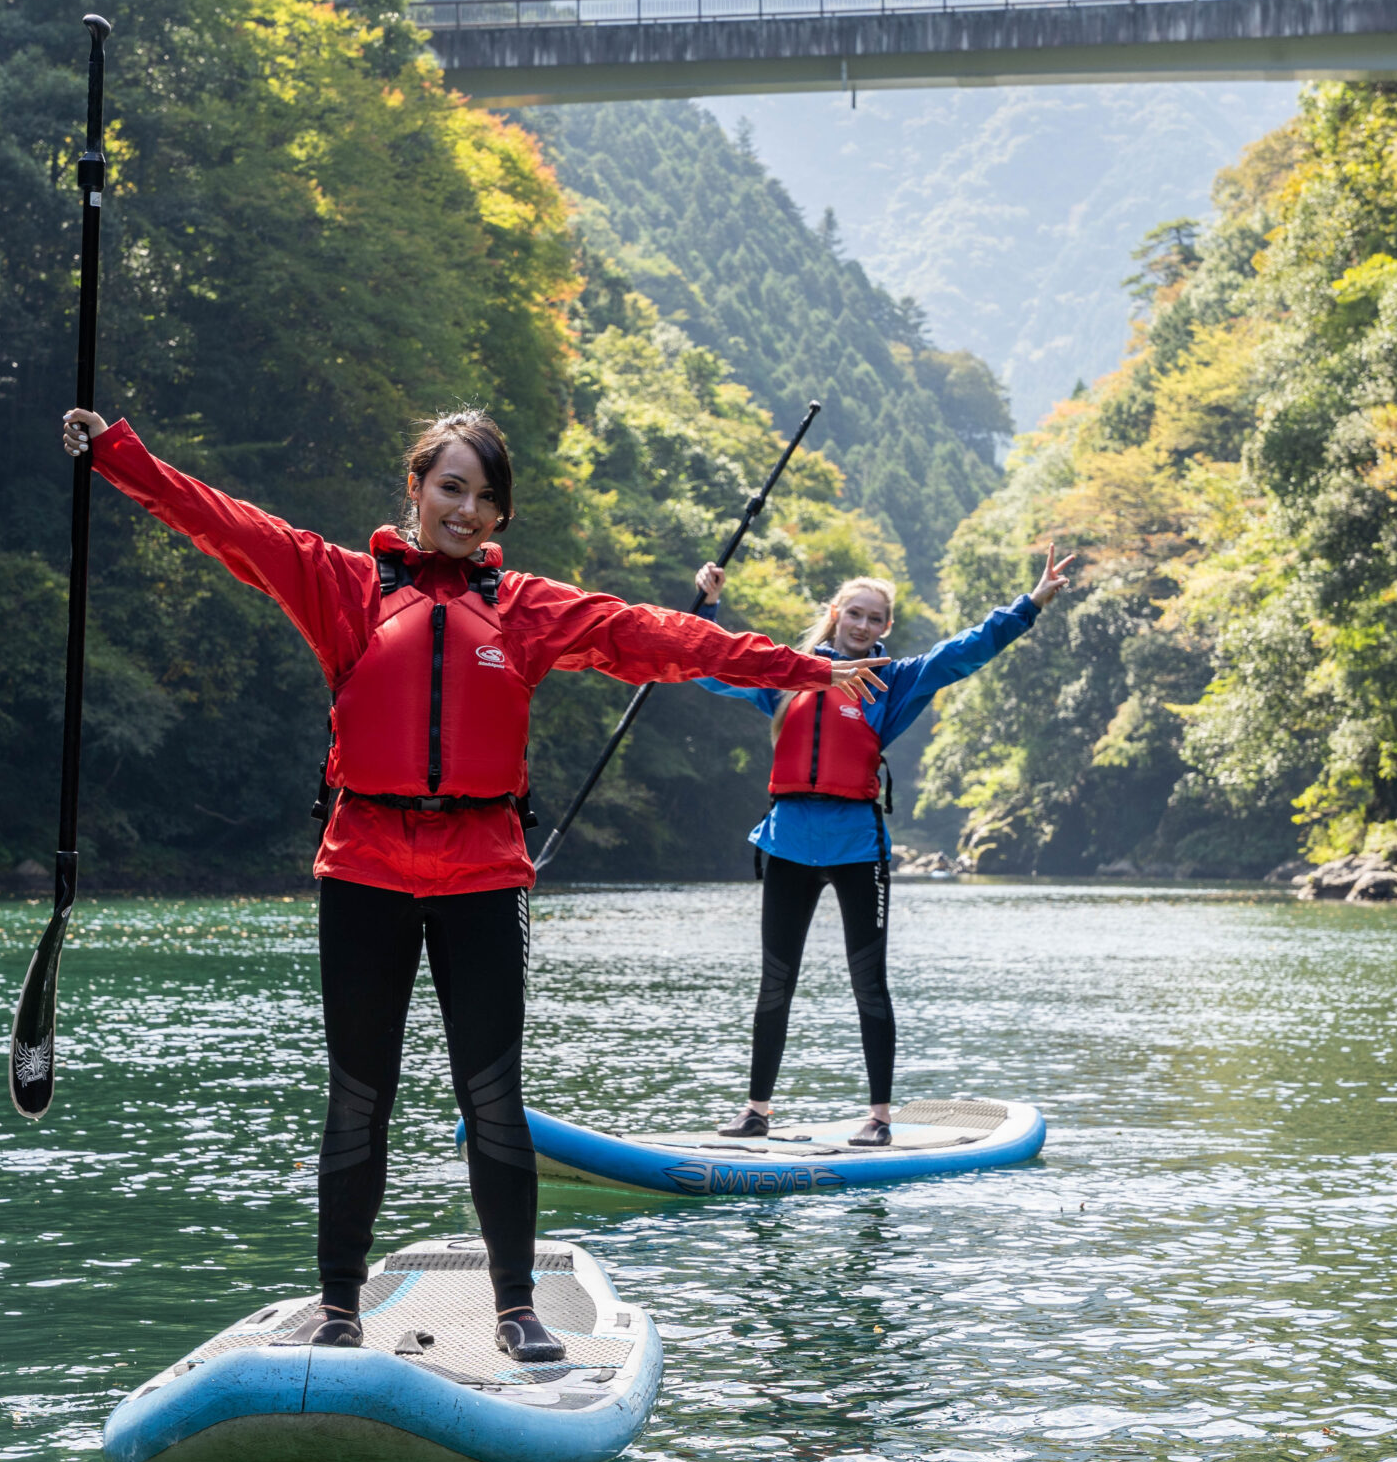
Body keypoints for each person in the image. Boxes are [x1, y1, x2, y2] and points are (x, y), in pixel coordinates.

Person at [60, 405, 886, 1361]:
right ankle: (337, 1302)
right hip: (365, 866)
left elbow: (660, 638)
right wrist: (119, 455)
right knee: (357, 1096)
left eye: (486, 498)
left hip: (484, 875)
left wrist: (805, 667)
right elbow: (224, 522)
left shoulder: (526, 609)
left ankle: (515, 1305)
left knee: (494, 1095)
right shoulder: (343, 586)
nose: (467, 510)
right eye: (452, 487)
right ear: (414, 488)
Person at [692, 546, 1074, 1146]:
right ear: (836, 613)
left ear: (885, 629)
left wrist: (1029, 606)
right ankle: (756, 1111)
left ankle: (879, 1119)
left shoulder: (893, 681)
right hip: (789, 840)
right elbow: (715, 668)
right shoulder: (789, 670)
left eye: (876, 619)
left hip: (856, 849)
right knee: (775, 982)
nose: (864, 625)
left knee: (868, 983)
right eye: (856, 614)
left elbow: (964, 652)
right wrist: (709, 608)